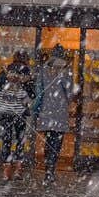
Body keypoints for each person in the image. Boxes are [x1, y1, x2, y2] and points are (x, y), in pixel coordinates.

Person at [0, 50, 35, 189]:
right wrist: (25, 102)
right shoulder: (28, 73)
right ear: (26, 60)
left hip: (5, 111)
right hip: (19, 112)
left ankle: (6, 171)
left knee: (6, 139)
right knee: (20, 139)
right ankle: (18, 169)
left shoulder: (4, 72)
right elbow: (32, 93)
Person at [33, 44, 75, 187]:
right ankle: (51, 170)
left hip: (46, 110)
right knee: (56, 142)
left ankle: (48, 170)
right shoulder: (65, 70)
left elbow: (38, 89)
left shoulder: (44, 69)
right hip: (60, 111)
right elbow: (69, 92)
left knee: (48, 141)